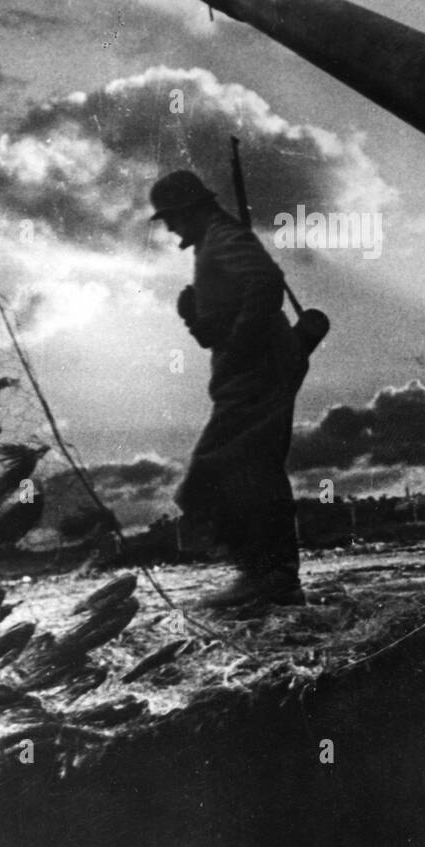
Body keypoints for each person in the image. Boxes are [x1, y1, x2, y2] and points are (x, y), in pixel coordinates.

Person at [150, 169, 308, 611]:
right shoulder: (210, 244)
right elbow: (216, 330)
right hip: (248, 372)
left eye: (171, 218)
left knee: (228, 467)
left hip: (256, 370)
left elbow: (265, 283)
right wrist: (195, 319)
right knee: (239, 468)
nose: (169, 228)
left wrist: (238, 348)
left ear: (189, 210)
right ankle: (266, 576)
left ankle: (268, 577)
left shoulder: (222, 237)